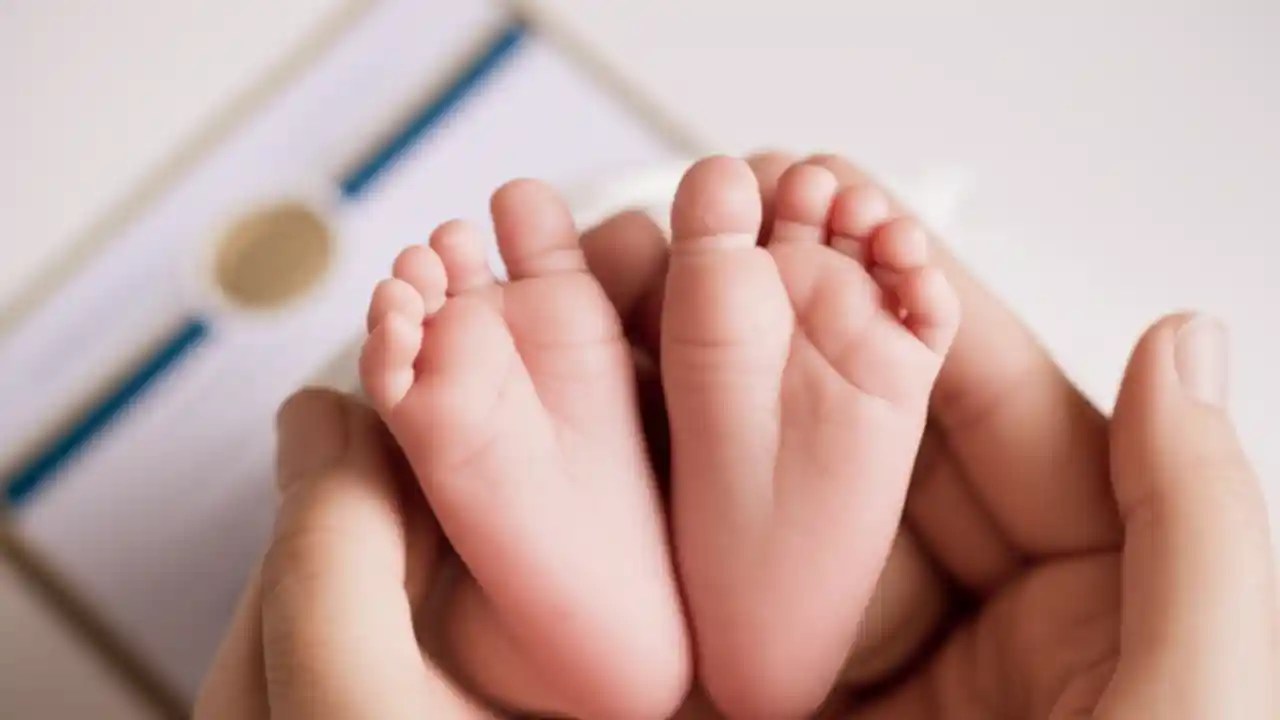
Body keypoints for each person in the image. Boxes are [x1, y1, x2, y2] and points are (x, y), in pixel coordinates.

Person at [195, 154, 1277, 719]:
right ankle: (787, 620)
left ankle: (579, 633)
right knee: (894, 597)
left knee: (456, 634)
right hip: (916, 650)